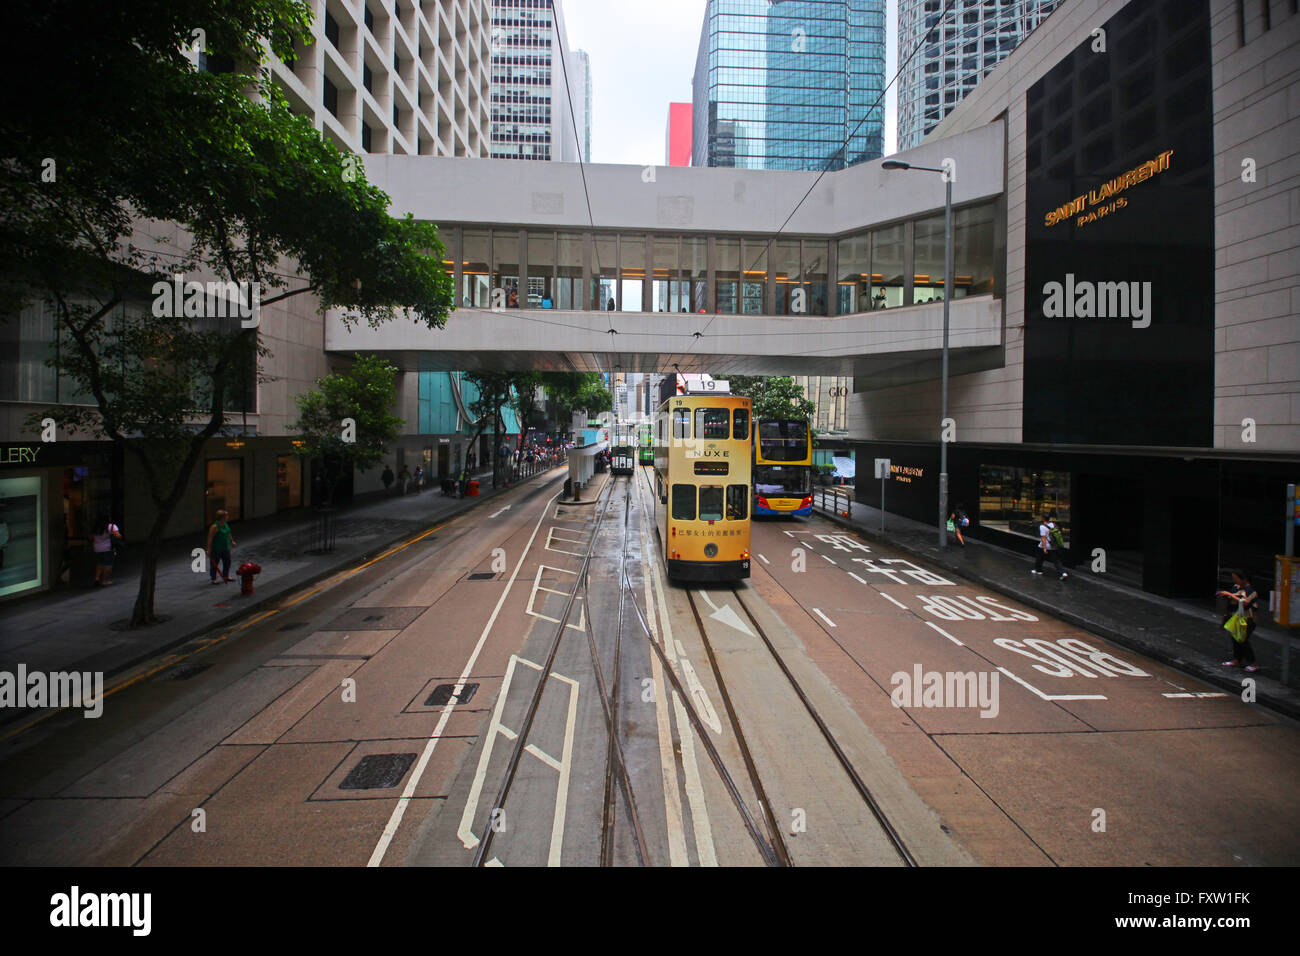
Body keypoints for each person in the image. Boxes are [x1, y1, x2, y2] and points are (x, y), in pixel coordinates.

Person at [1217, 570, 1259, 672]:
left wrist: (1228, 594)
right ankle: (1237, 660)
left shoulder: (1251, 591)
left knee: (1243, 640)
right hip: (1235, 617)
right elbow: (1231, 602)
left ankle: (1253, 663)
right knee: (1235, 638)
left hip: (1248, 619)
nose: (1234, 580)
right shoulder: (1236, 587)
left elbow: (1244, 603)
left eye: (1236, 578)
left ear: (1243, 579)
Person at [1031, 512, 1066, 579]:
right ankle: (1063, 573)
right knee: (1056, 560)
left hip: (1045, 545)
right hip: (1054, 545)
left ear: (1043, 518)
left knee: (1039, 557)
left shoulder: (1042, 527)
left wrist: (1044, 548)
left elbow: (1043, 538)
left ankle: (1038, 570)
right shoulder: (1053, 524)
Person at [91, 515, 123, 586]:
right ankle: (104, 580)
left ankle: (96, 578)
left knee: (99, 563)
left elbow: (91, 537)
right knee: (108, 564)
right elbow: (118, 536)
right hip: (107, 548)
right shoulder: (111, 526)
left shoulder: (96, 527)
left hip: (97, 548)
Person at [206, 509, 236, 585]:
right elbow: (210, 538)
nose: (228, 517)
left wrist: (231, 541)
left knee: (227, 562)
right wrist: (209, 550)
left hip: (225, 547)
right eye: (226, 516)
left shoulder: (225, 524)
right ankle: (214, 578)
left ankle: (226, 575)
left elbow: (228, 533)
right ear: (222, 517)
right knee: (215, 564)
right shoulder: (214, 527)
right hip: (216, 549)